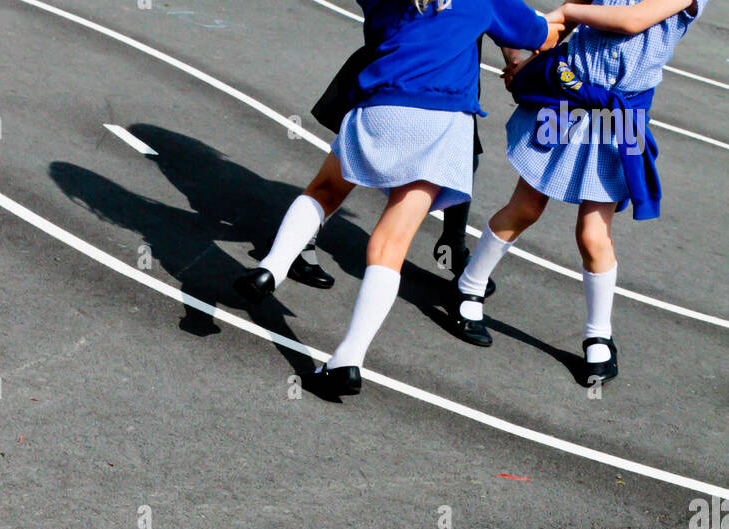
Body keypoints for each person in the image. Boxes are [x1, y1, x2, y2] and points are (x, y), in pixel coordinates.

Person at [234, 0, 562, 399]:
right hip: (442, 122)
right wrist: (572, 16)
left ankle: (273, 266)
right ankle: (349, 358)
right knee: (392, 243)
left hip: (382, 103)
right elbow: (542, 33)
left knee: (325, 191)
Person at [453, 0, 709, 383]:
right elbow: (567, 26)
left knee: (592, 234)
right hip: (570, 99)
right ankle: (469, 287)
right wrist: (532, 54)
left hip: (617, 117)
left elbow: (630, 20)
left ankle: (598, 336)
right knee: (525, 206)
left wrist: (569, 11)